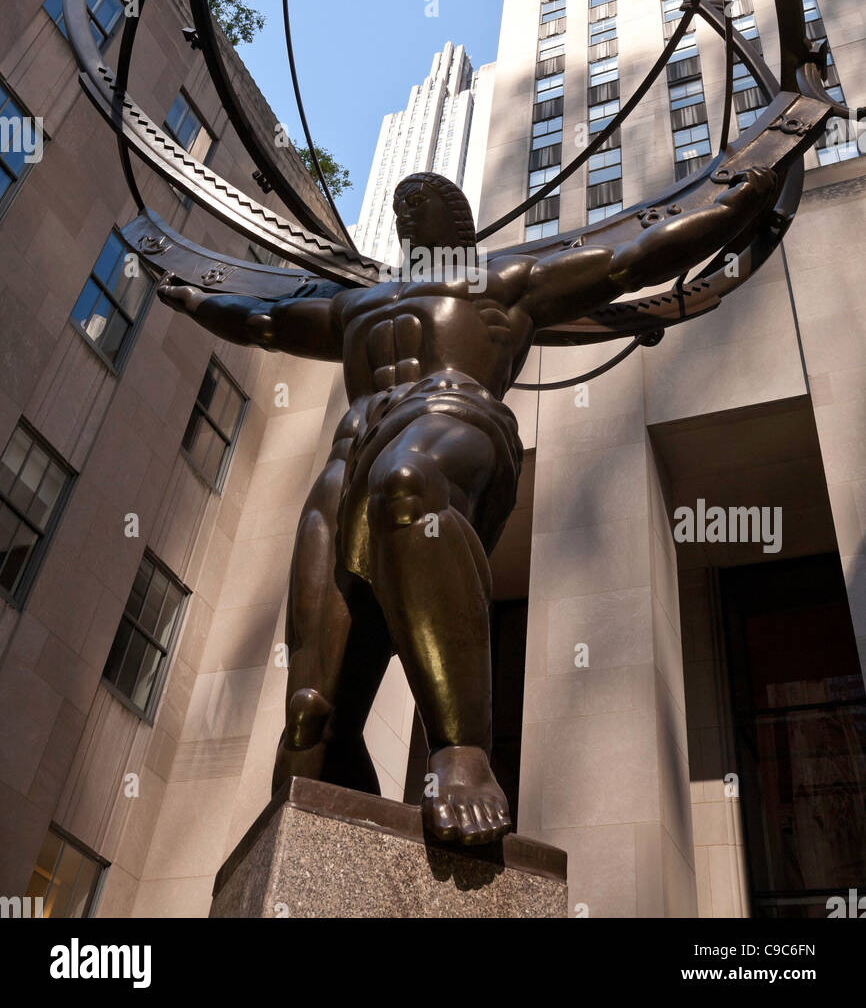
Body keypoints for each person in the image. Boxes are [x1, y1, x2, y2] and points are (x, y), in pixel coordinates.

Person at [158, 164, 778, 844]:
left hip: (452, 423)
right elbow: (267, 325)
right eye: (398, 207)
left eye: (416, 205)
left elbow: (631, 259)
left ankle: (461, 750)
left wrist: (738, 202)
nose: (402, 217)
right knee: (311, 710)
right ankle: (326, 844)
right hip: (346, 458)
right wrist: (194, 299)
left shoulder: (507, 279)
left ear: (455, 222)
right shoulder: (356, 303)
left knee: (406, 481)